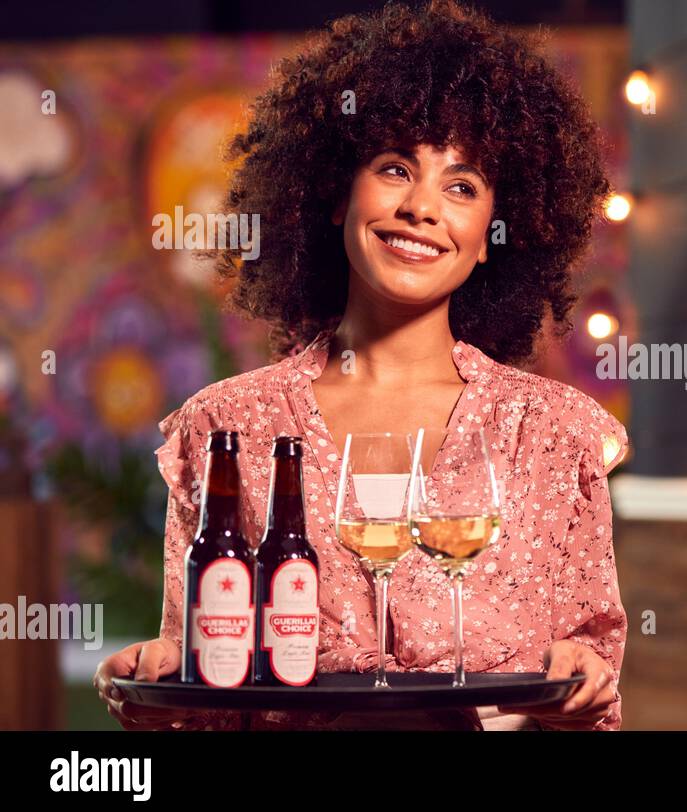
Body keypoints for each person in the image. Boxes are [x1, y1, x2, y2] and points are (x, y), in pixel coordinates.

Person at [93, 0, 626, 731]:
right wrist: (164, 691)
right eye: (395, 167)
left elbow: (588, 689)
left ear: (493, 236)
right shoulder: (226, 428)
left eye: (462, 185)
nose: (421, 207)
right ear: (337, 193)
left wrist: (583, 690)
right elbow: (207, 692)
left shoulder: (555, 434)